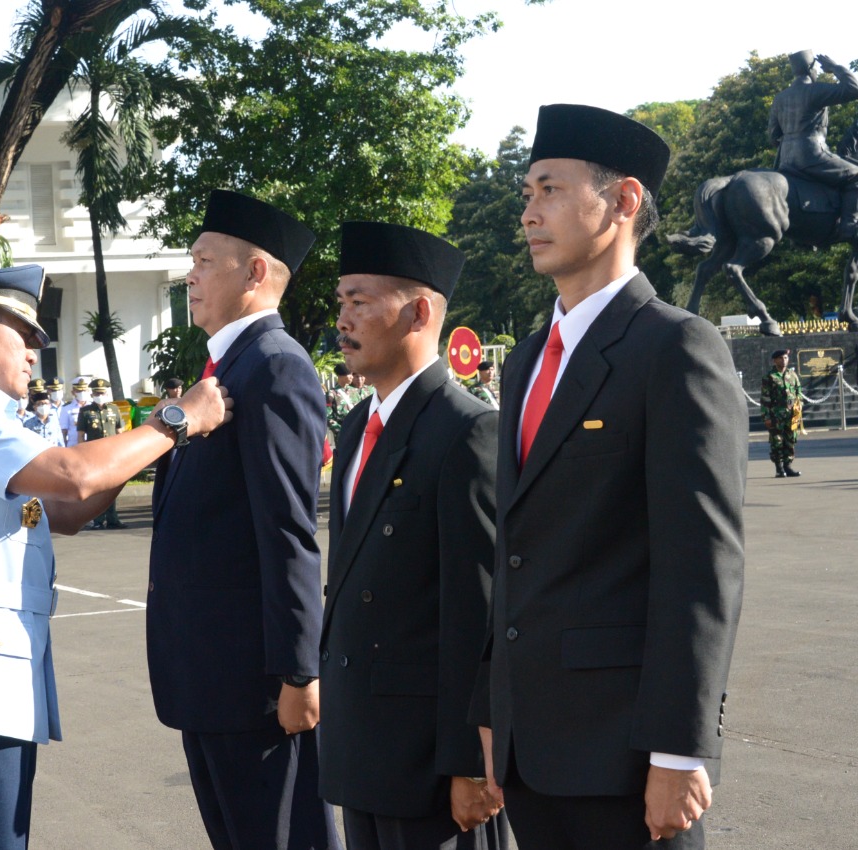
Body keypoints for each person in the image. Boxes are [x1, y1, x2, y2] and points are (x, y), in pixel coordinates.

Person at [468, 104, 747, 850]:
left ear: (623, 201)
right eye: (527, 193)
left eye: (550, 189)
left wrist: (680, 749)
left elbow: (700, 565)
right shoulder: (526, 360)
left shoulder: (676, 348)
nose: (528, 212)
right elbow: (512, 550)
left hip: (624, 752)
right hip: (532, 748)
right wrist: (490, 709)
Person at [0, 264, 230, 850]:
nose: (32, 357)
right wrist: (176, 420)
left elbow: (66, 512)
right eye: (24, 338)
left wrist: (149, 447)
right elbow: (75, 476)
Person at [148, 190, 339, 850]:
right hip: (208, 678)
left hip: (251, 687)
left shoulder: (276, 366)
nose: (191, 275)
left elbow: (288, 529)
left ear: (255, 272)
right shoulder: (227, 366)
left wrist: (297, 673)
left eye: (204, 260)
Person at [321, 221, 506, 850]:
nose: (341, 319)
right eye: (341, 301)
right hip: (363, 749)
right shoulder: (354, 431)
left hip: (430, 764)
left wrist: (470, 761)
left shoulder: (467, 431)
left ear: (418, 312)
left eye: (360, 301)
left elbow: (478, 613)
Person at [769, 51, 858, 240]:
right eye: (816, 68)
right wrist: (834, 67)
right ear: (811, 69)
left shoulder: (780, 98)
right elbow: (853, 88)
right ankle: (849, 225)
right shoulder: (815, 91)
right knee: (856, 176)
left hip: (787, 160)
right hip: (812, 155)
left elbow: (773, 135)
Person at [77, 378, 126, 529]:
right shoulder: (85, 411)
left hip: (112, 455)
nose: (100, 395)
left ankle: (113, 519)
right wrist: (82, 455)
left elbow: (120, 432)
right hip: (94, 456)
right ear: (92, 394)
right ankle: (98, 520)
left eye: (102, 392)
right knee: (97, 489)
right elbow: (80, 436)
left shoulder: (114, 409)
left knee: (112, 487)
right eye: (97, 393)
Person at [760, 348, 804, 478]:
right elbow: (765, 399)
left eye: (785, 358)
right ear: (774, 360)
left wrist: (799, 407)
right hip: (776, 415)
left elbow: (798, 392)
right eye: (780, 358)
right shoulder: (769, 377)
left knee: (790, 440)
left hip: (791, 414)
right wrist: (766, 416)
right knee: (777, 441)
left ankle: (788, 466)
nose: (783, 360)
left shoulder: (792, 375)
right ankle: (779, 468)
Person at [326, 364, 359, 444]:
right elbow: (328, 416)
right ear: (340, 376)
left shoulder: (355, 391)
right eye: (349, 374)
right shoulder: (331, 393)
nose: (352, 377)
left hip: (358, 431)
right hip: (343, 434)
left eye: (352, 374)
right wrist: (341, 431)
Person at [59, 377, 89, 447]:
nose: (82, 393)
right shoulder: (66, 408)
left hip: (90, 443)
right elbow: (64, 431)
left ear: (88, 391)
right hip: (74, 445)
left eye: (84, 390)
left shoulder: (92, 406)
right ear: (73, 392)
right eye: (78, 391)